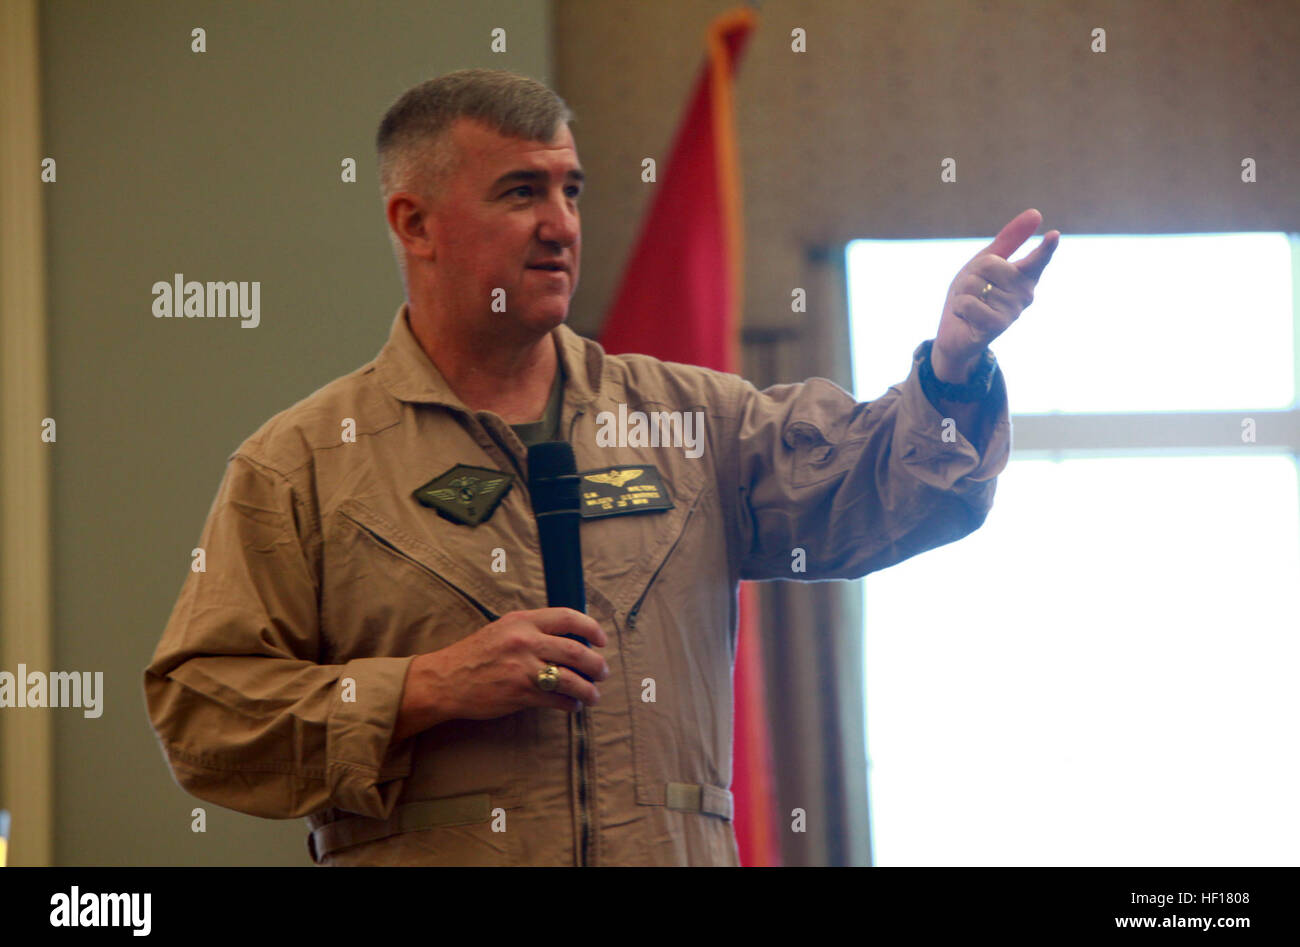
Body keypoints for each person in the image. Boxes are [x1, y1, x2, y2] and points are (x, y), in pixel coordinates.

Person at [143, 68, 1058, 866]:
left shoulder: (695, 422)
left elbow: (885, 495)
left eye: (571, 191)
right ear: (414, 223)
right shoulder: (303, 463)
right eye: (519, 193)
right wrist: (423, 688)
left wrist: (952, 369)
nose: (560, 226)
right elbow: (204, 718)